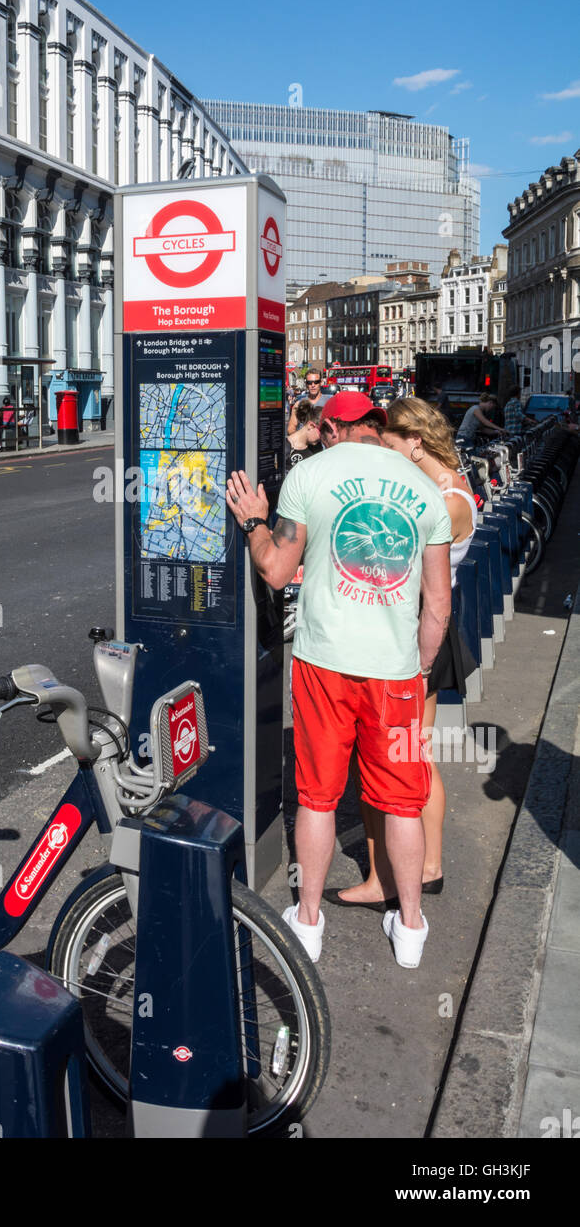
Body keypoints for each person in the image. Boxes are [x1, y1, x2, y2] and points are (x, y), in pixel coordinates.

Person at [226, 391, 453, 968]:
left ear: (330, 427)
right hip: (395, 673)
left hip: (324, 666)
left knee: (319, 797)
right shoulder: (425, 488)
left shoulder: (309, 476)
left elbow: (275, 571)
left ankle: (306, 923)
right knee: (402, 804)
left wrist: (253, 520)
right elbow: (438, 608)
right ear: (377, 426)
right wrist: (419, 667)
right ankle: (410, 927)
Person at [325, 397, 477, 913]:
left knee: (401, 758)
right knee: (415, 754)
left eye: (388, 443)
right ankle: (421, 867)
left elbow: (396, 562)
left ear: (414, 441)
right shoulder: (444, 485)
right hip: (420, 629)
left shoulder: (446, 499)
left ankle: (405, 873)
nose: (384, 454)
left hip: (417, 635)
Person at [286, 400, 323, 470]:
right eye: (321, 432)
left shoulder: (317, 449)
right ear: (311, 426)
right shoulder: (285, 447)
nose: (322, 438)